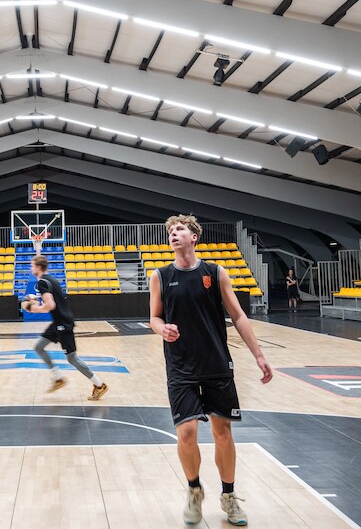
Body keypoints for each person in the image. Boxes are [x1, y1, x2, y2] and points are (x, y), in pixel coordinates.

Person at [149, 215, 274, 527]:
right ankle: (194, 490)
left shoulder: (215, 272)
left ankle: (229, 496)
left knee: (222, 432)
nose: (174, 234)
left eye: (180, 230)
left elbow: (239, 316)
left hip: (217, 364)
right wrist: (162, 329)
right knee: (187, 432)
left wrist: (258, 355)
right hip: (180, 366)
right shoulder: (160, 276)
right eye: (170, 231)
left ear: (194, 237)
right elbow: (154, 317)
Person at [24, 255, 109, 400]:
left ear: (38, 267)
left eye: (32, 266)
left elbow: (51, 305)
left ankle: (99, 385)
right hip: (58, 322)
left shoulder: (42, 283)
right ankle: (58, 378)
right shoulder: (50, 280)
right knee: (38, 347)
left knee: (72, 359)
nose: (31, 268)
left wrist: (34, 308)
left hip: (62, 323)